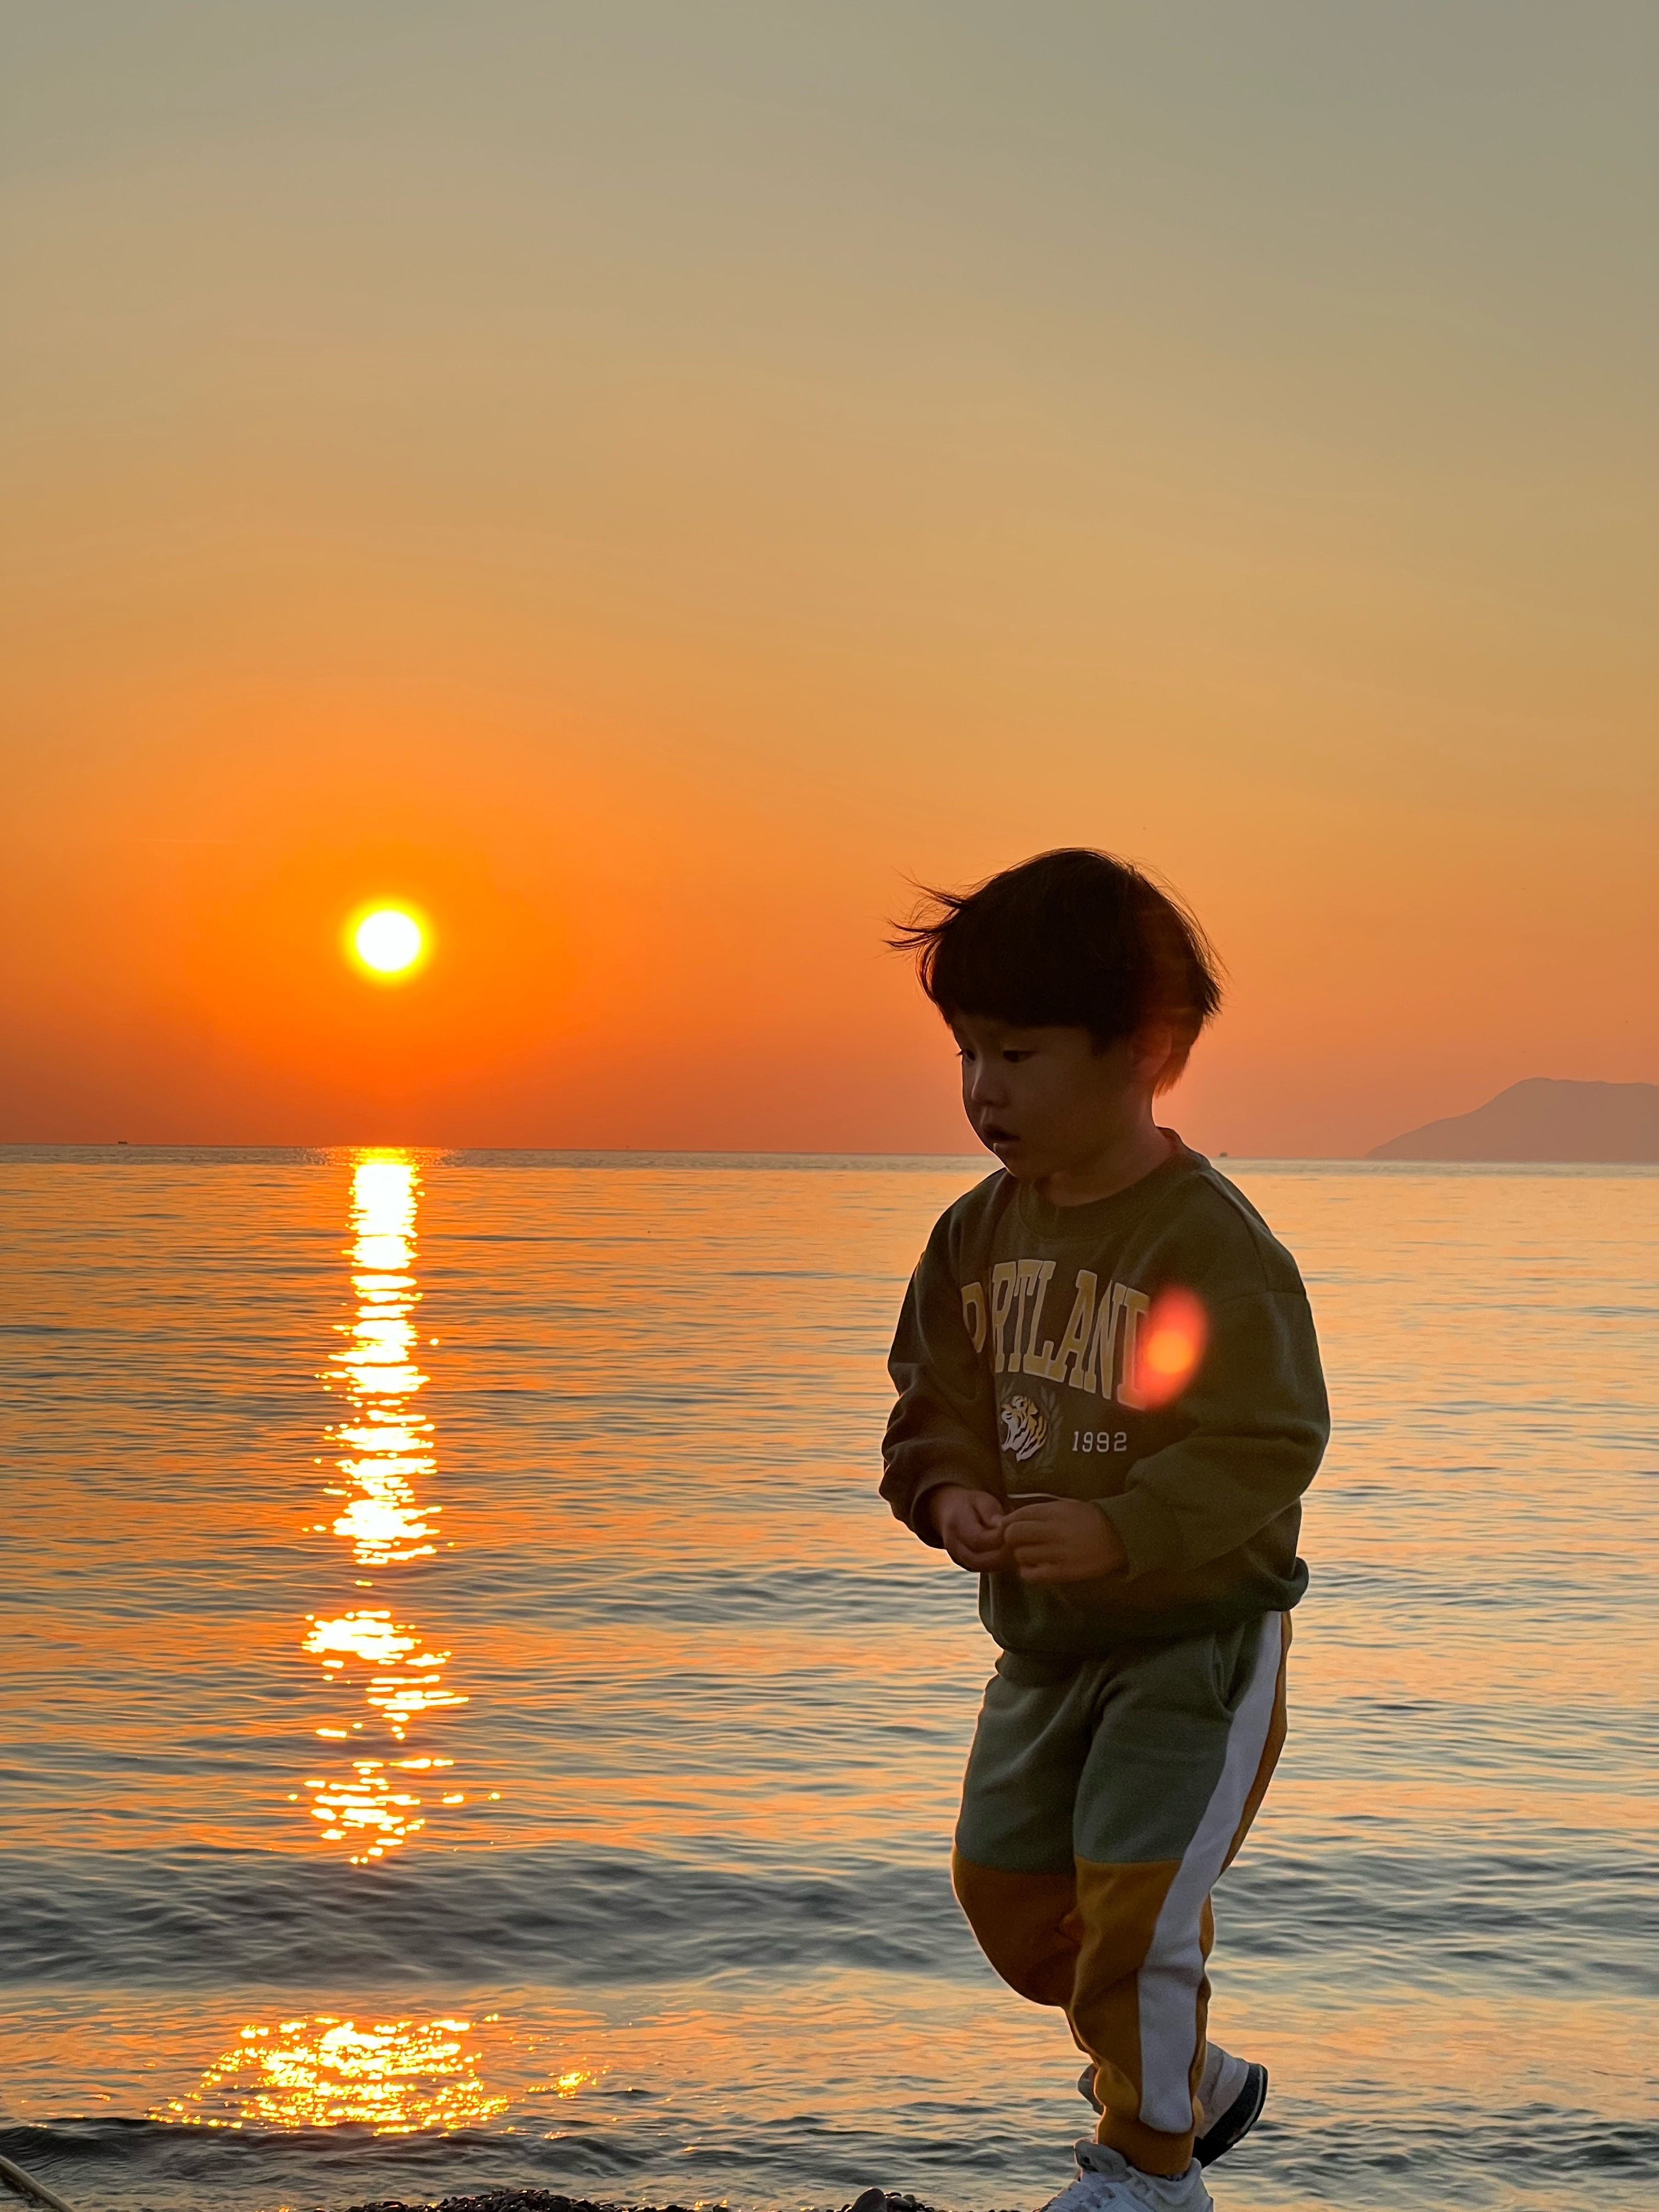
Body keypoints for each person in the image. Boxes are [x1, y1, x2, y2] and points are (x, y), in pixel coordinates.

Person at [880, 849, 1329, 2212]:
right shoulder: (975, 1238)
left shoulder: (1205, 1242)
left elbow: (1270, 1439)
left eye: (1016, 1052)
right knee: (1009, 1899)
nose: (982, 1088)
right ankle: (1187, 2077)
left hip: (1193, 1645)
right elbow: (934, 1400)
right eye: (964, 1053)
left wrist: (1127, 1528)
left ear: (1145, 1050)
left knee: (1135, 1913)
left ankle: (1148, 2170)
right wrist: (946, 1498)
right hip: (1045, 1648)